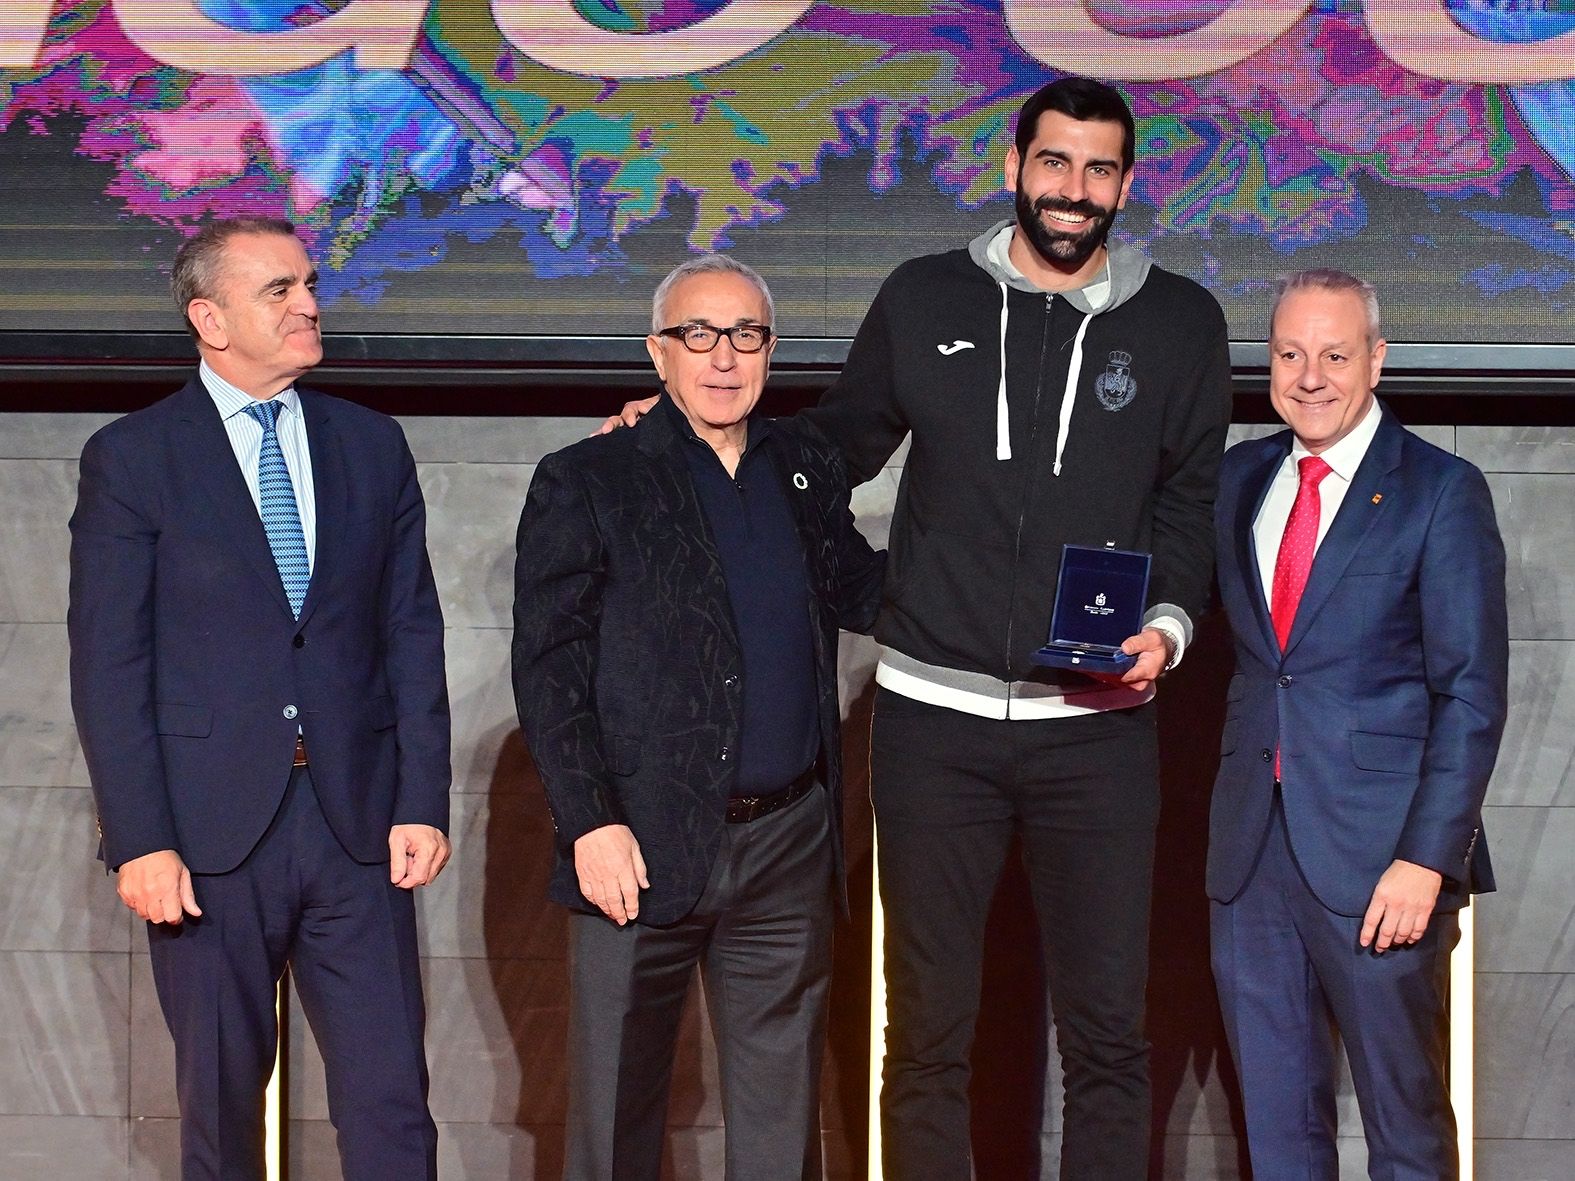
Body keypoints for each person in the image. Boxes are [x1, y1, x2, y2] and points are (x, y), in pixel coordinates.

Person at [603, 76, 1233, 1179]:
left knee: (1106, 1037)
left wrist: (1169, 627)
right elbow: (837, 444)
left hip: (1098, 728)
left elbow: (1187, 507)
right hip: (933, 725)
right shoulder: (926, 296)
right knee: (927, 1034)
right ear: (1014, 168)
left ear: (1127, 184)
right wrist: (690, 424)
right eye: (1054, 163)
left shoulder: (1183, 322)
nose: (1073, 191)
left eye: (1098, 170)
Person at [68, 216, 451, 1180]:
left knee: (393, 1109)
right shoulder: (134, 457)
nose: (309, 303)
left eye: (308, 283)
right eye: (278, 289)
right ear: (210, 317)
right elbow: (107, 666)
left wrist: (421, 799)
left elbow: (411, 632)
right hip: (204, 840)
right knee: (221, 1117)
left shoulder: (370, 444)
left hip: (357, 828)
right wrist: (142, 836)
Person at [513, 254, 884, 1180]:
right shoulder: (588, 478)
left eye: (746, 335)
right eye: (698, 335)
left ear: (770, 349)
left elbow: (869, 589)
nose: (724, 357)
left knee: (777, 1123)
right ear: (658, 351)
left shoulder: (803, 465)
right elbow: (548, 671)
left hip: (787, 844)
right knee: (614, 1115)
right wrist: (589, 822)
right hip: (636, 846)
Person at [1208, 268, 1507, 1180]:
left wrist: (1425, 860)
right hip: (1251, 857)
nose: (1309, 377)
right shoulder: (1236, 478)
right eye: (1289, 354)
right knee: (1277, 1129)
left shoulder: (1439, 490)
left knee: (1404, 1128)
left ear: (1375, 359)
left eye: (1333, 355)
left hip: (1387, 866)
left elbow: (1470, 695)